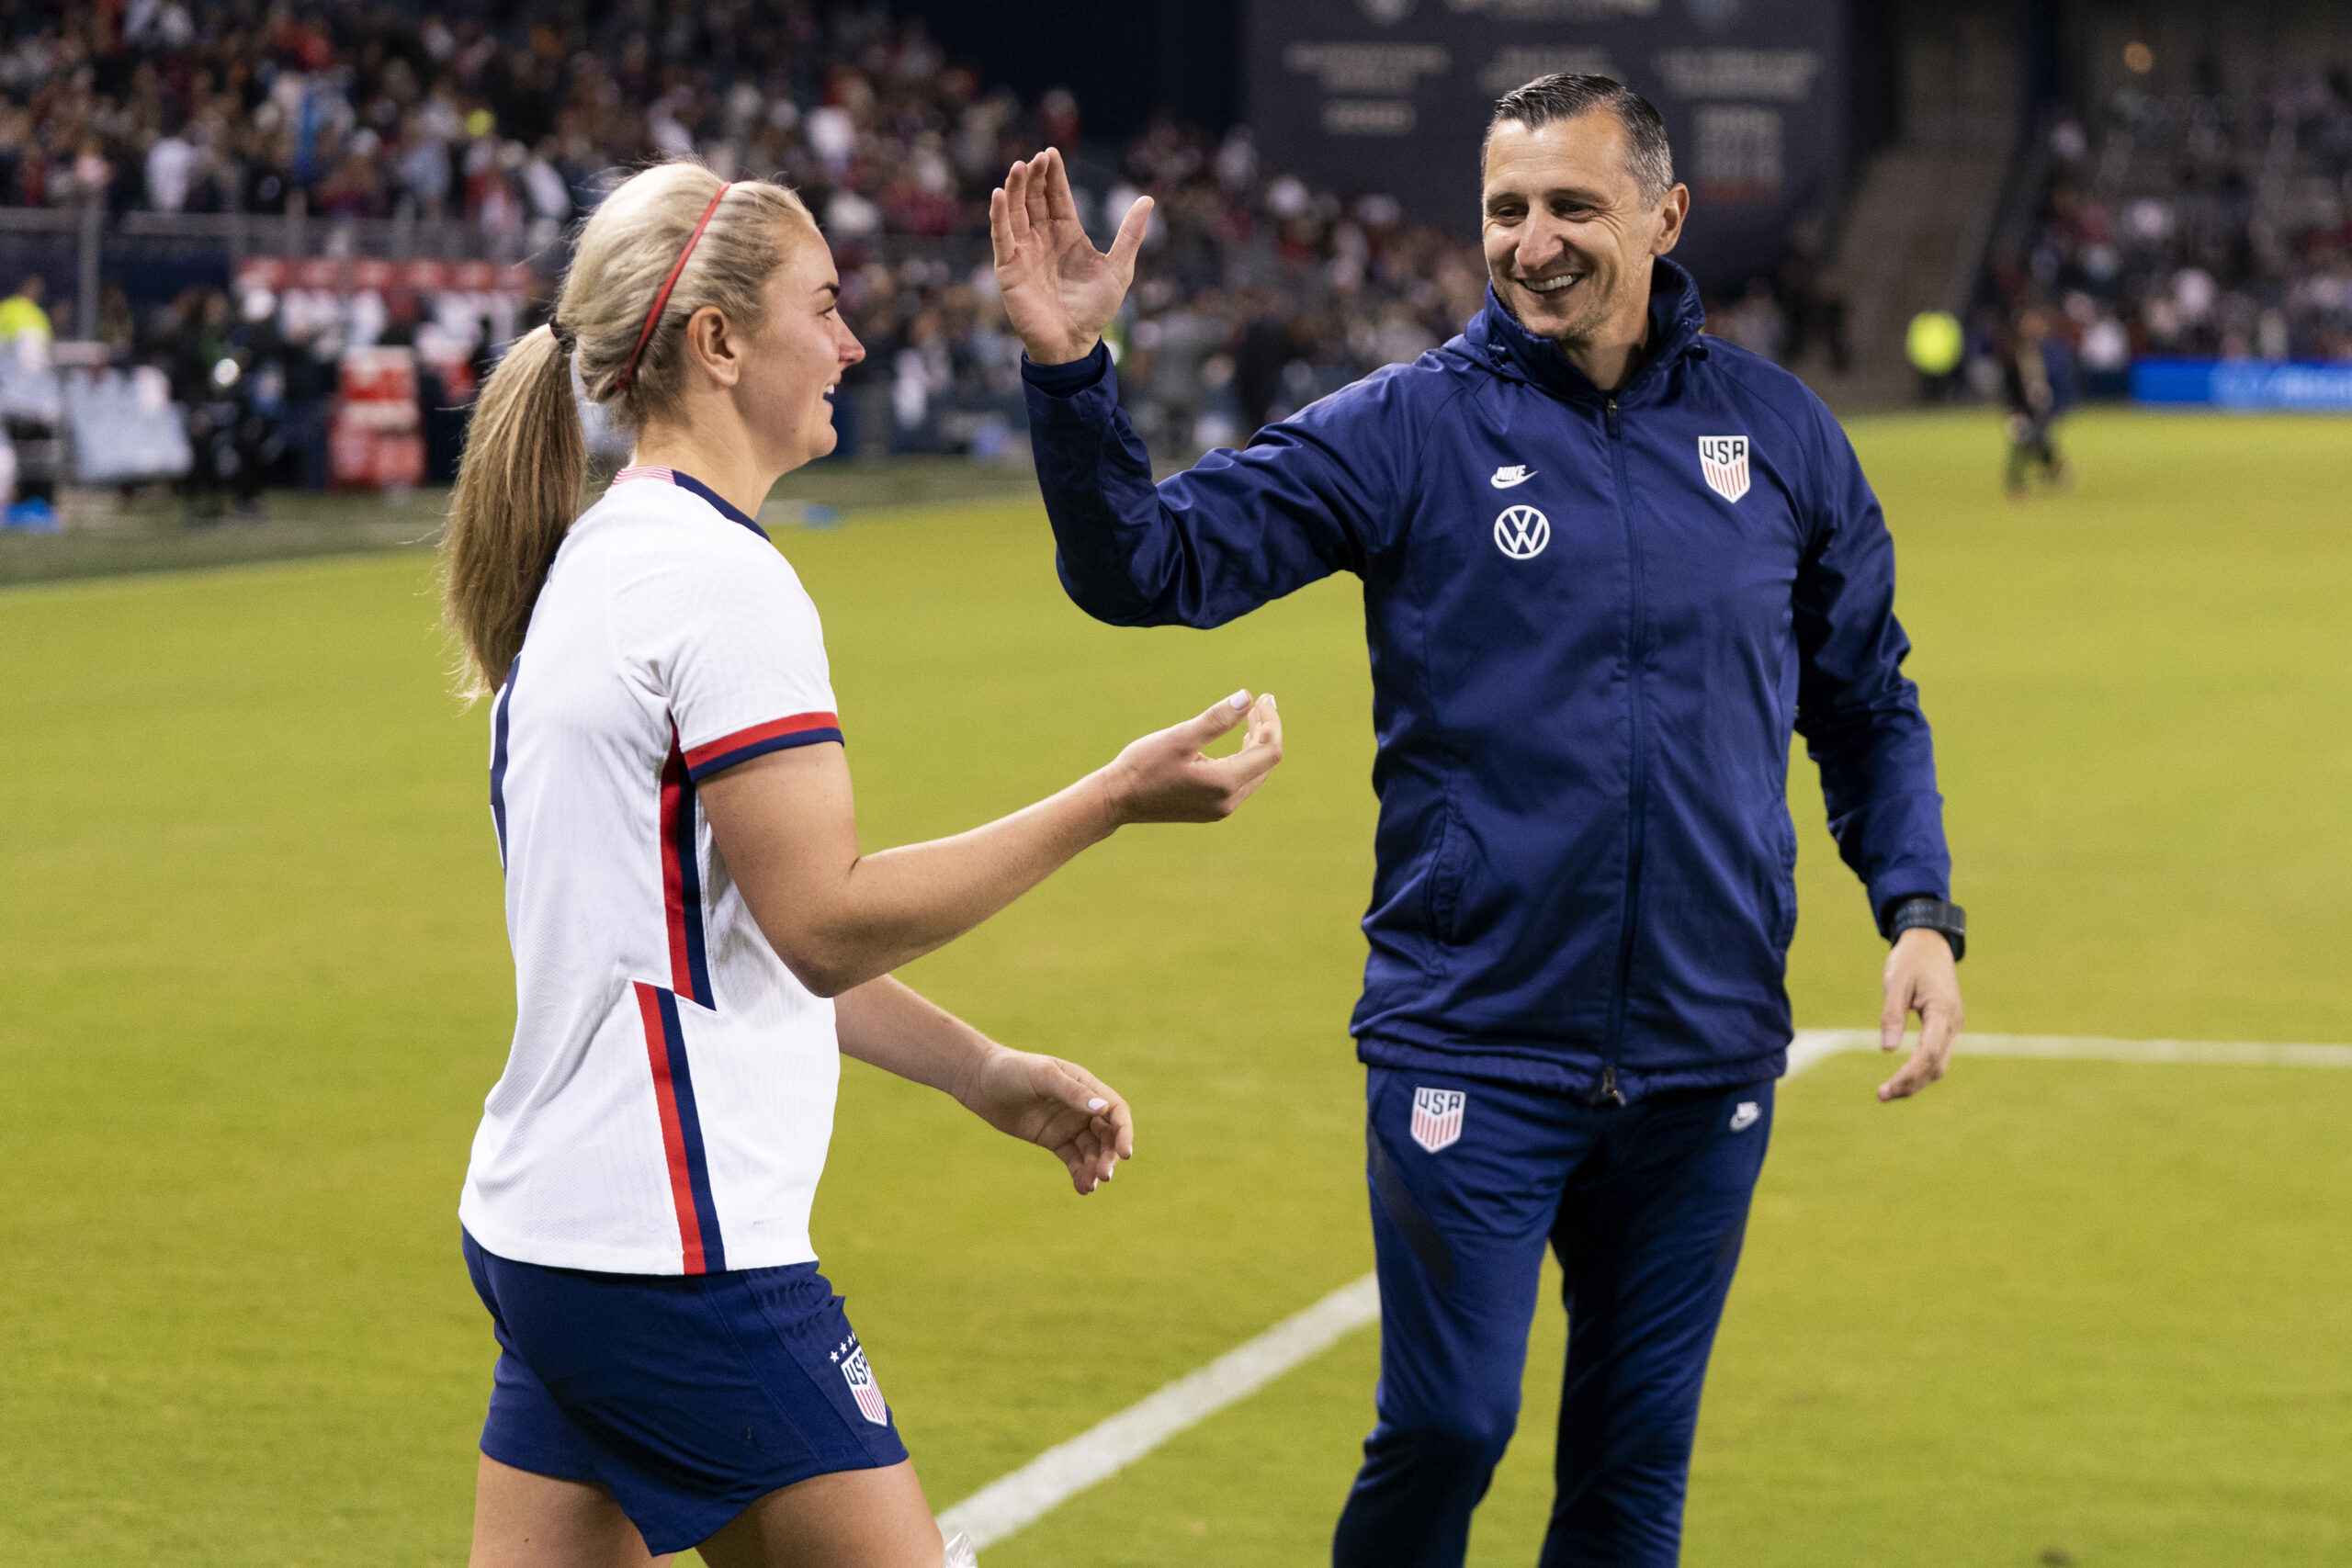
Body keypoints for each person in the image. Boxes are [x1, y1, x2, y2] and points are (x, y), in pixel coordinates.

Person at [991, 74, 1966, 1567]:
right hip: (1473, 1036)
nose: (1534, 240)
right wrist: (1072, 373)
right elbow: (1147, 565)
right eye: (1508, 208)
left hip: (1706, 1046)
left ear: (1665, 215)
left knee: (1632, 1480)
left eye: (1573, 205)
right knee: (1449, 1424)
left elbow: (1867, 698)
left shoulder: (1779, 434)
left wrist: (1917, 907)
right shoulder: (1408, 429)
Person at [440, 159, 1284, 1568]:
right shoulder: (719, 580)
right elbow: (822, 923)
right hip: (678, 1251)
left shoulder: (593, 559)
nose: (853, 343)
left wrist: (980, 1068)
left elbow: (712, 941)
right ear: (719, 341)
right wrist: (1112, 797)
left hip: (555, 1233)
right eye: (823, 307)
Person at [2001, 307, 2075, 498]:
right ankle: (2016, 484)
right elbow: (2010, 383)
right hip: (2022, 408)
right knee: (2021, 443)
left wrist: (2057, 404)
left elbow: (2060, 380)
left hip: (2045, 408)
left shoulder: (2051, 350)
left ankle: (2051, 468)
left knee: (2041, 441)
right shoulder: (2014, 350)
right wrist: (2013, 409)